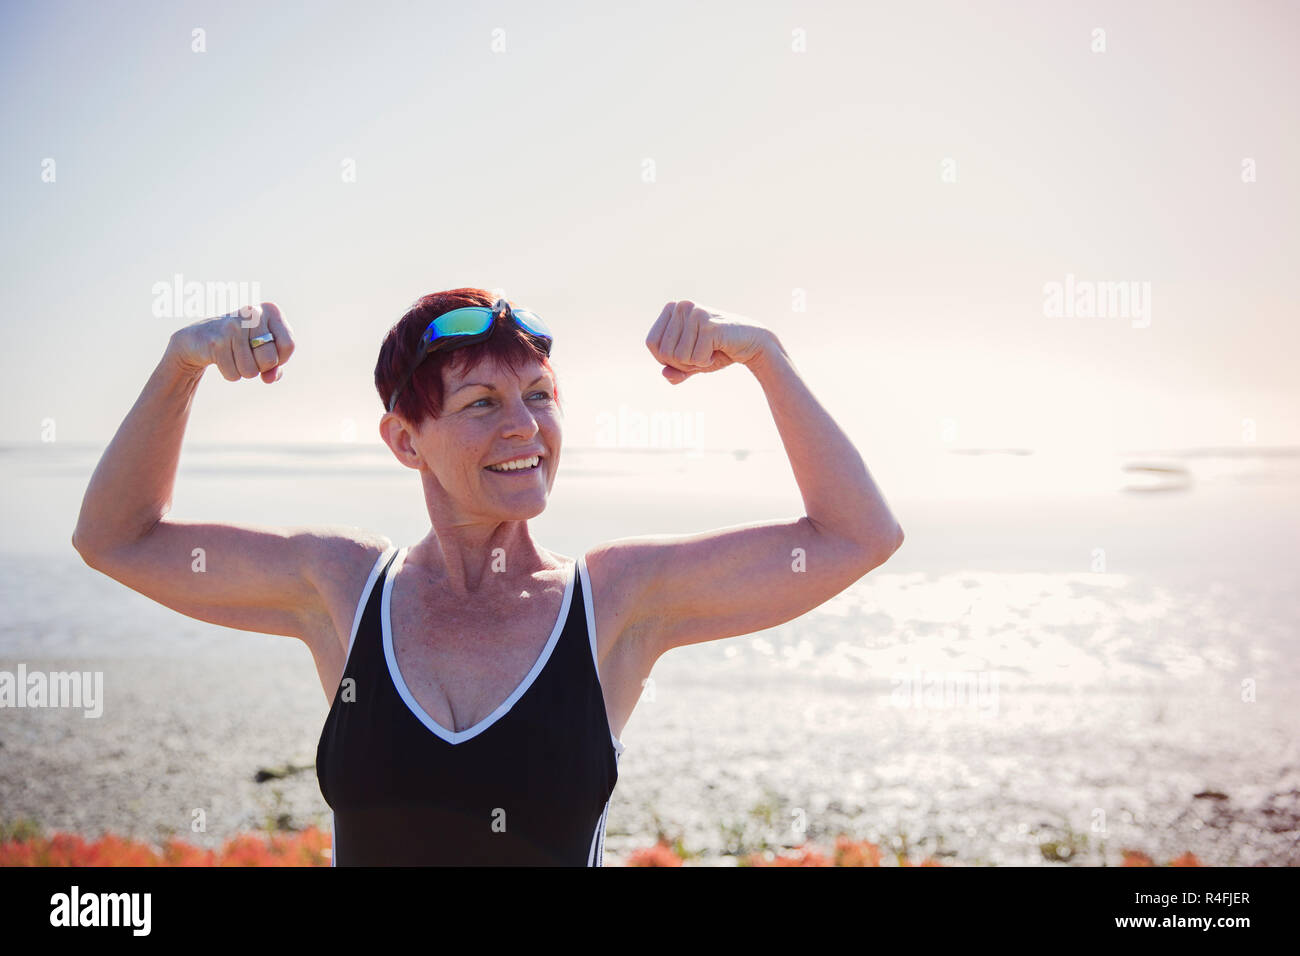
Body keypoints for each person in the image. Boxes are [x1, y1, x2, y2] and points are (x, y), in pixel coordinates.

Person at [72, 288, 904, 866]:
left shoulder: (616, 602)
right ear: (406, 442)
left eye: (540, 395)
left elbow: (855, 535)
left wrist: (765, 355)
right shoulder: (343, 588)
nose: (526, 428)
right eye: (481, 404)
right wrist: (182, 363)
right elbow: (119, 537)